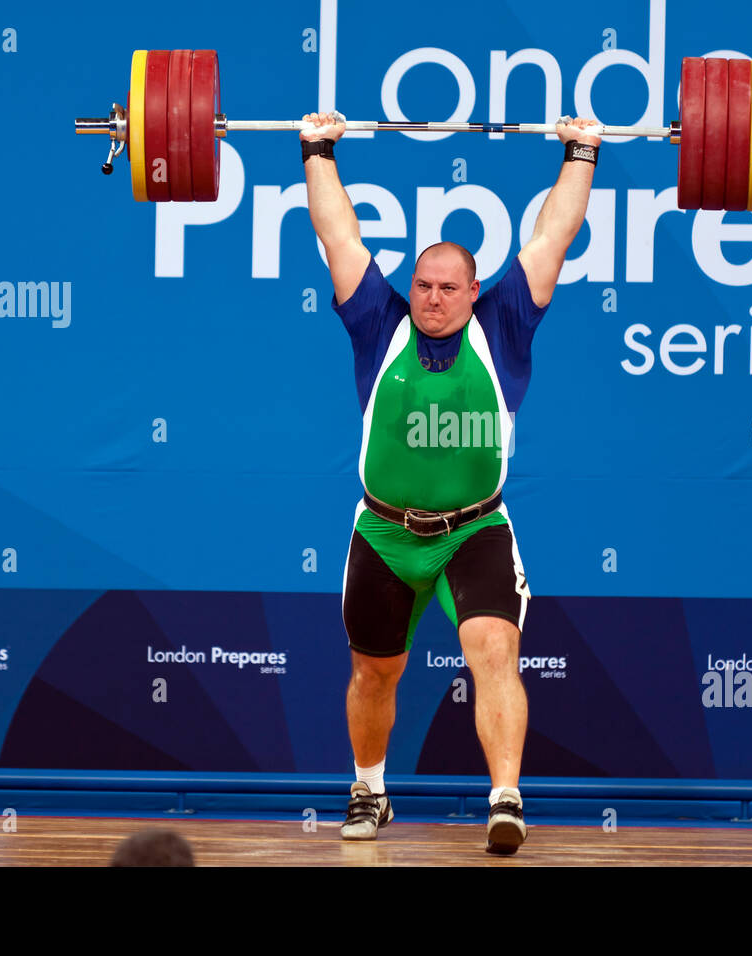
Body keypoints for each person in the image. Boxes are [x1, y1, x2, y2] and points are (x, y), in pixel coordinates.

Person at [301, 110, 600, 854]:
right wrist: (317, 149)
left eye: (447, 287)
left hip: (475, 529)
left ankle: (506, 800)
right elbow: (340, 236)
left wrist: (583, 152)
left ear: (474, 291)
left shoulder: (505, 325)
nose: (431, 297)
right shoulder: (379, 324)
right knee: (375, 675)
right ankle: (370, 790)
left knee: (494, 646)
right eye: (423, 284)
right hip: (384, 531)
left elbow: (552, 236)